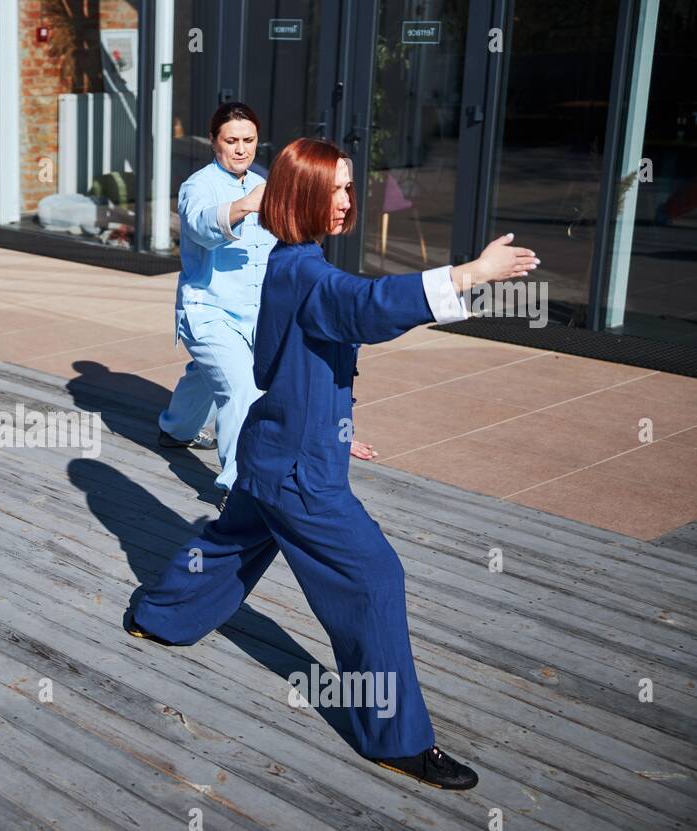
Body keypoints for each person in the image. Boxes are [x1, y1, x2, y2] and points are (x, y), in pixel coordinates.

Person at [125, 138, 539, 789]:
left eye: (350, 188)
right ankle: (396, 739)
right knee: (375, 580)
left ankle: (158, 617)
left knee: (230, 543)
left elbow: (277, 364)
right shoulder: (308, 274)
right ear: (301, 195)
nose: (347, 201)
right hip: (300, 475)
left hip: (273, 448)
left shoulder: (288, 262)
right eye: (336, 189)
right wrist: (469, 275)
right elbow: (366, 308)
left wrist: (333, 427)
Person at [157, 104, 376, 510]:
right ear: (213, 142)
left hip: (256, 312)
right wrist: (244, 206)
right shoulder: (198, 185)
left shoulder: (263, 181)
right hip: (209, 311)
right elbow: (199, 226)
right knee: (241, 389)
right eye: (231, 141)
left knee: (206, 376)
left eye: (249, 140)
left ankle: (175, 426)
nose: (241, 149)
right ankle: (239, 489)